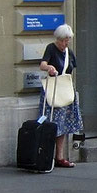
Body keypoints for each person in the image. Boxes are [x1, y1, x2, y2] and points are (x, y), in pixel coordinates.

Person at [39, 24, 84, 168]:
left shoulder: (69, 52)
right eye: (64, 40)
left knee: (63, 124)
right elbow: (42, 64)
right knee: (52, 123)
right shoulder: (51, 48)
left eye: (68, 40)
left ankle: (59, 156)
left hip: (65, 91)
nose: (65, 43)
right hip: (54, 91)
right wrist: (49, 68)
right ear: (57, 39)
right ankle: (46, 154)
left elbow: (71, 70)